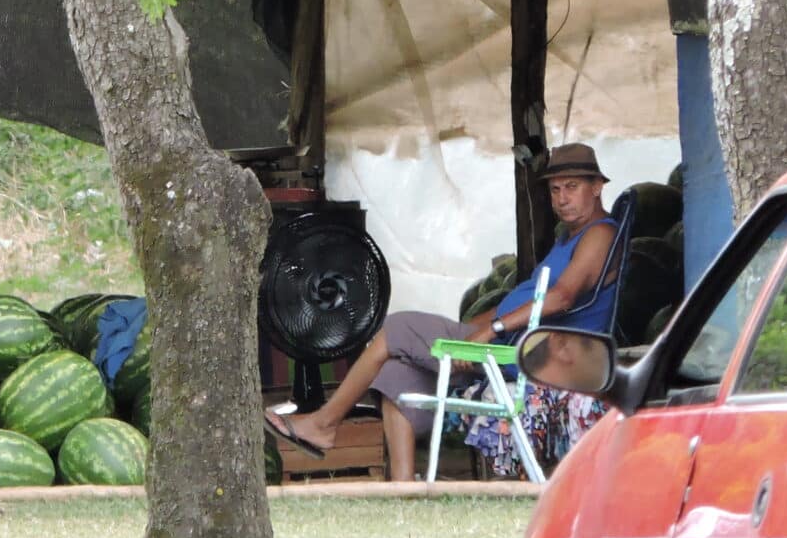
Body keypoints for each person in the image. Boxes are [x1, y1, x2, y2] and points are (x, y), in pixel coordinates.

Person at [264, 143, 619, 481]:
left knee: (397, 327)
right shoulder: (568, 238)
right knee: (395, 371)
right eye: (555, 190)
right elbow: (523, 300)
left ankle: (325, 423)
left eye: (571, 188)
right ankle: (403, 490)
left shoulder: (599, 234)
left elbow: (561, 298)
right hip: (507, 341)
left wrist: (491, 329)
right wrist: (468, 330)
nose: (562, 199)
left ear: (598, 187)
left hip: (530, 352)